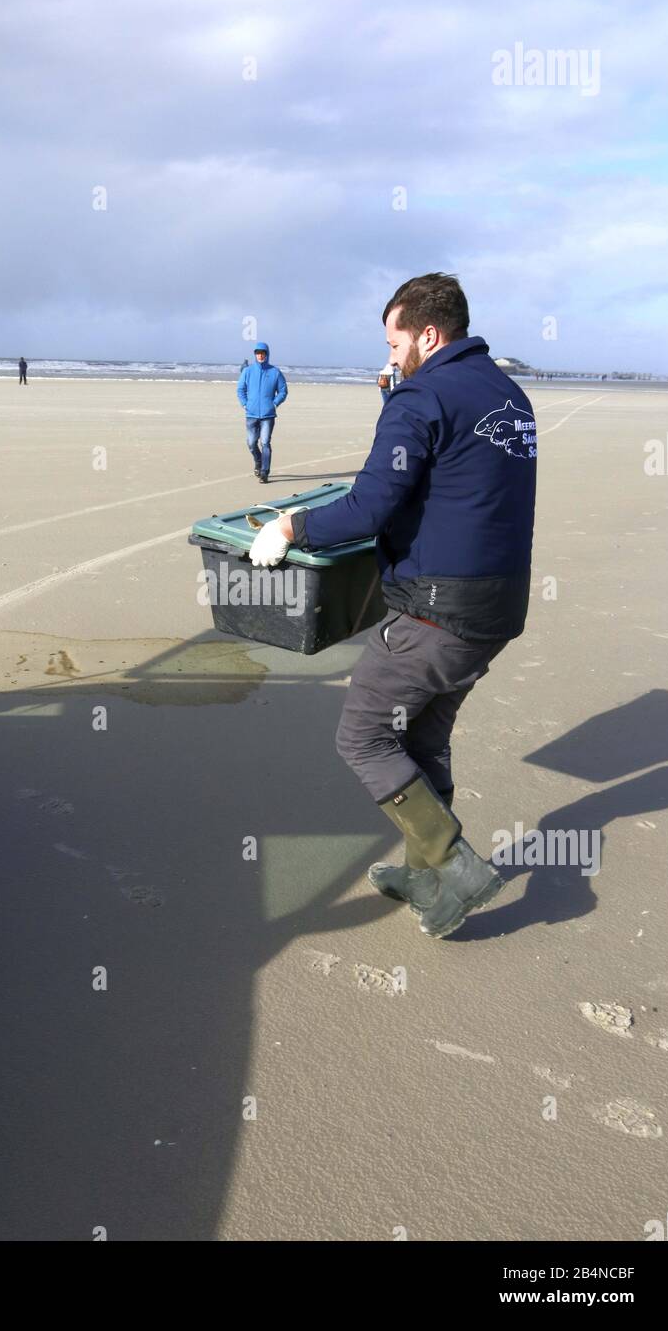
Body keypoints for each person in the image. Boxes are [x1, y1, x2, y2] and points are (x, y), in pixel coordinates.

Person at [248, 273, 537, 939]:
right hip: (498, 608)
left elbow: (370, 505)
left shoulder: (424, 396)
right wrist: (398, 396)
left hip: (437, 609)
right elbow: (451, 476)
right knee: (422, 738)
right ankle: (427, 875)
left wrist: (290, 527)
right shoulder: (506, 392)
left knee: (364, 736)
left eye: (395, 340)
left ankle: (453, 864)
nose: (390, 353)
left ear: (428, 335)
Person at [237, 342, 288, 483]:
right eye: (258, 353)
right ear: (255, 354)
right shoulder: (248, 371)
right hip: (251, 414)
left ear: (267, 354)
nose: (260, 355)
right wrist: (245, 404)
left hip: (268, 415)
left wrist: (275, 403)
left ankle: (265, 472)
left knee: (265, 442)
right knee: (251, 443)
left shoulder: (275, 372)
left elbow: (283, 391)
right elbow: (240, 389)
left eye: (263, 353)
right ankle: (258, 460)